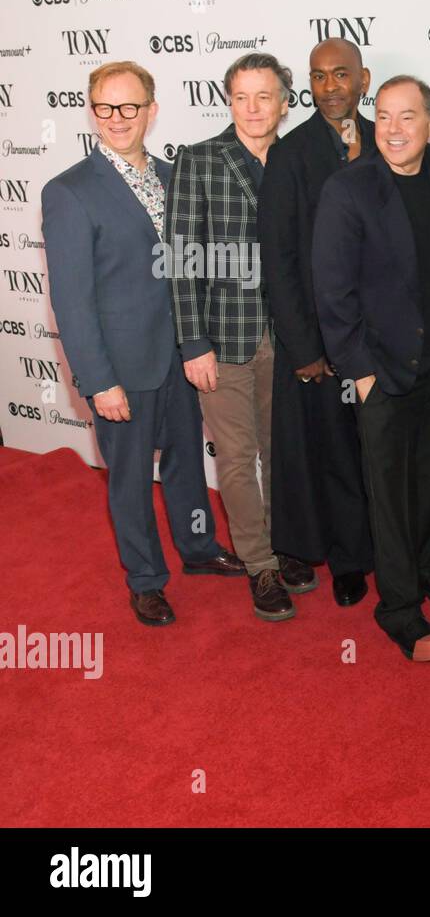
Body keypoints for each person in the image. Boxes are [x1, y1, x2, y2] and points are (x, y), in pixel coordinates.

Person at [260, 39, 430, 611]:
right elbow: (311, 276)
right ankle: (385, 593)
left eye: (407, 117)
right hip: (362, 357)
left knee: (425, 472)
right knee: (370, 477)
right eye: (319, 76)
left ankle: (426, 567)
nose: (394, 129)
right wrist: (347, 364)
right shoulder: (327, 173)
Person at [42, 61, 244, 626]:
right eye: (105, 107)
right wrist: (98, 379)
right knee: (130, 479)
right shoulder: (69, 192)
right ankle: (146, 579)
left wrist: (198, 340)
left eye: (129, 107)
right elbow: (72, 300)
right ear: (92, 111)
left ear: (152, 112)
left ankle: (200, 550)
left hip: (181, 355)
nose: (117, 119)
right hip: (122, 367)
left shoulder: (172, 174)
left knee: (185, 467)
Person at [312, 75, 430, 661]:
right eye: (383, 116)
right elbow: (332, 291)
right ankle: (399, 607)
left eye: (408, 117)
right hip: (378, 368)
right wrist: (358, 369)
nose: (394, 129)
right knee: (387, 490)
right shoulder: (347, 189)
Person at [165, 52, 305, 622]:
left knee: (283, 454)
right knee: (238, 459)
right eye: (241, 97)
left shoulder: (298, 159)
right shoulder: (198, 160)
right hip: (222, 338)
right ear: (229, 101)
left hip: (290, 338)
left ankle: (282, 542)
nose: (252, 109)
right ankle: (259, 563)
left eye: (264, 96)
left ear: (284, 102)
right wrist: (192, 343)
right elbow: (178, 259)